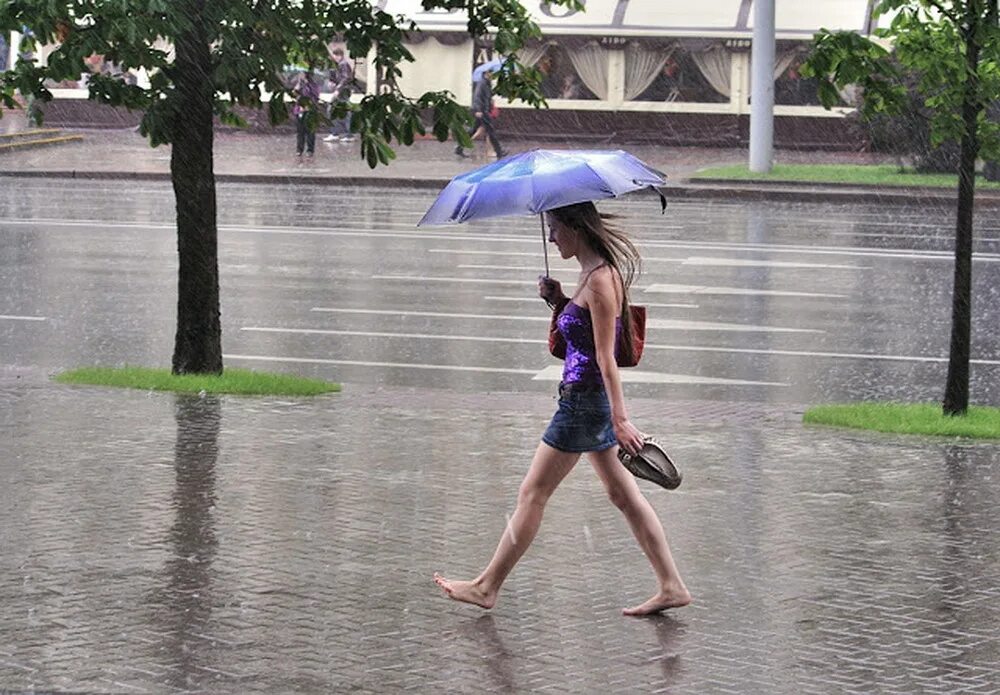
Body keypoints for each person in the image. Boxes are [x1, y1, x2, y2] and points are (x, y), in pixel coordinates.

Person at [433, 201, 691, 617]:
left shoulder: (602, 279)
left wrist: (621, 419)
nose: (551, 237)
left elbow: (605, 357)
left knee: (532, 494)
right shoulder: (590, 273)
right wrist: (559, 302)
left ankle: (485, 587)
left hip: (582, 404)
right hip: (585, 399)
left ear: (576, 227)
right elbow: (583, 335)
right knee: (623, 494)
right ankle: (672, 585)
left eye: (555, 227)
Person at [455, 67, 506, 159]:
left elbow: (485, 97)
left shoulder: (487, 83)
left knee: (473, 130)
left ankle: (459, 148)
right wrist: (478, 110)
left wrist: (490, 101)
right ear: (486, 73)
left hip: (484, 110)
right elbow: (477, 97)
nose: (493, 75)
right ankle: (499, 151)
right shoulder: (482, 83)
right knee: (491, 131)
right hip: (482, 111)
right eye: (491, 73)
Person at [323, 47, 354, 143]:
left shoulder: (343, 64)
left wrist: (337, 89)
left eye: (336, 56)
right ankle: (339, 133)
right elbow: (335, 77)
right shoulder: (338, 65)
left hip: (342, 92)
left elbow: (346, 78)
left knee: (338, 111)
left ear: (340, 55)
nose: (335, 58)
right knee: (338, 111)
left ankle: (339, 133)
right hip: (342, 91)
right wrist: (331, 82)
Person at [291, 70, 320, 157]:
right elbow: (294, 95)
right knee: (300, 131)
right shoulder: (299, 85)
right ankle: (299, 149)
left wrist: (308, 105)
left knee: (310, 131)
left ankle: (310, 150)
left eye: (302, 74)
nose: (300, 76)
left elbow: (315, 96)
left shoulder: (313, 85)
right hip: (299, 110)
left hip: (310, 110)